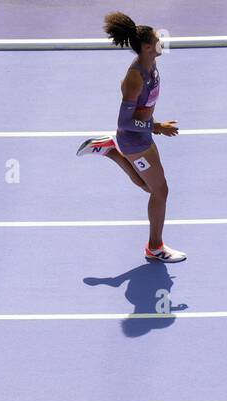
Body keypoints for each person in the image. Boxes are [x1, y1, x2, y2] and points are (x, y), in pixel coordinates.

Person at [76, 11, 184, 263]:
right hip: (134, 139)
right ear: (147, 47)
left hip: (142, 136)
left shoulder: (151, 63)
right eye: (157, 39)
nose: (161, 40)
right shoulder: (136, 78)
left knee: (152, 188)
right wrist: (157, 126)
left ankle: (110, 150)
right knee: (160, 190)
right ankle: (155, 247)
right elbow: (124, 121)